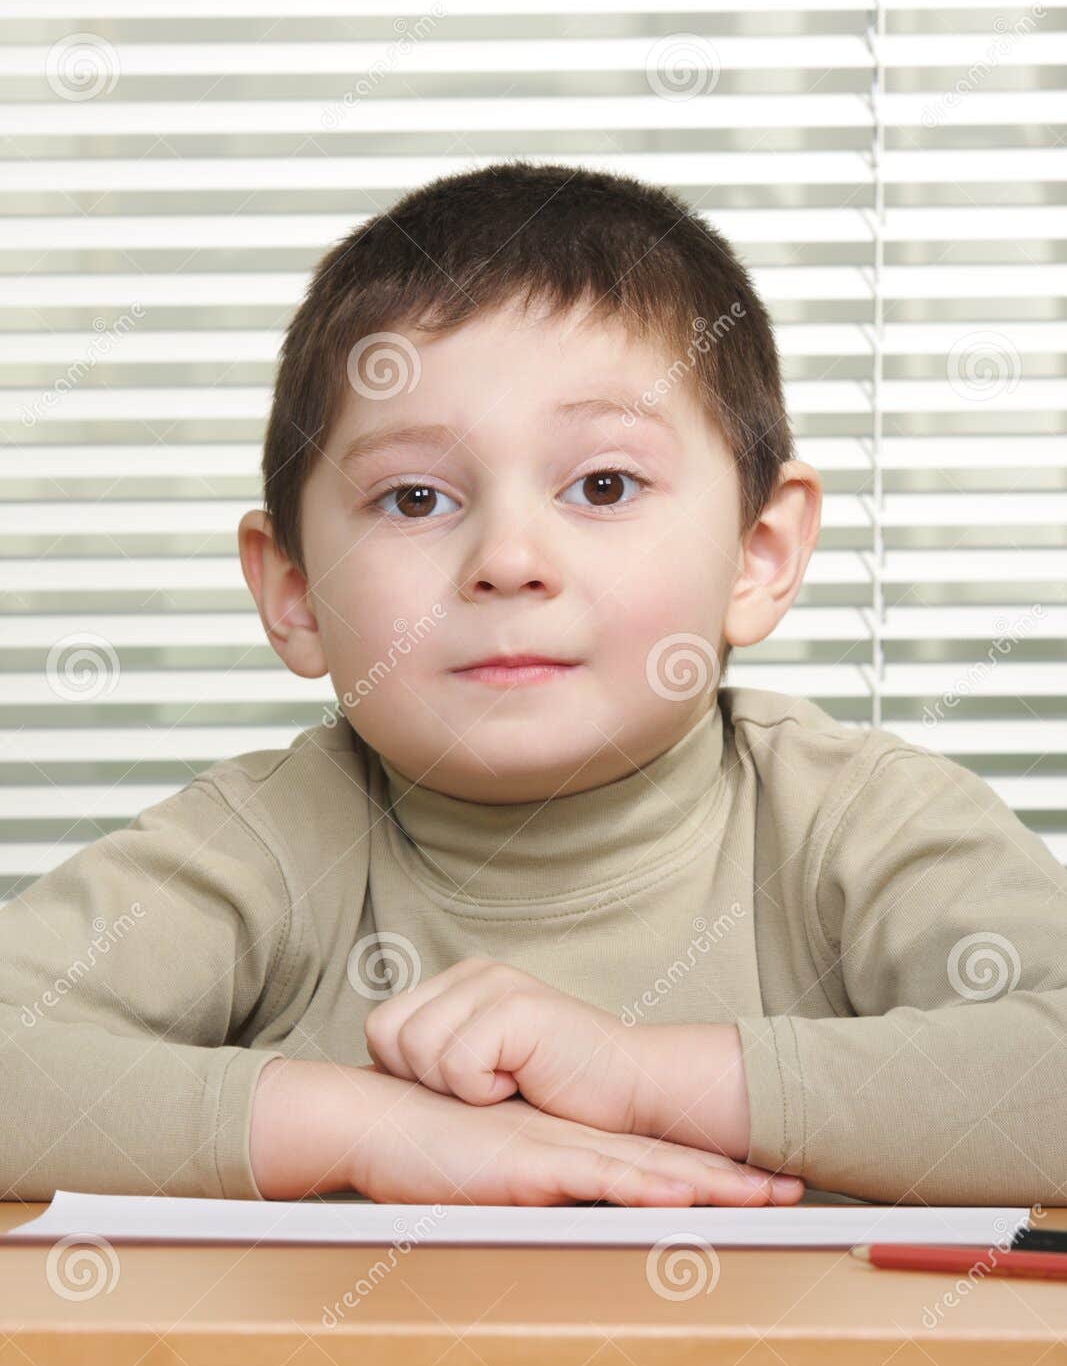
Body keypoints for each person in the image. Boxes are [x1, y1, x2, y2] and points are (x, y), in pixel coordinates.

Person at [3, 162, 1063, 1208]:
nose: (507, 558)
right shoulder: (270, 844)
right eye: (413, 498)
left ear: (757, 554)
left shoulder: (850, 823)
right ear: (293, 592)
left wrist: (639, 1076)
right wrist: (365, 1127)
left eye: (602, 484)